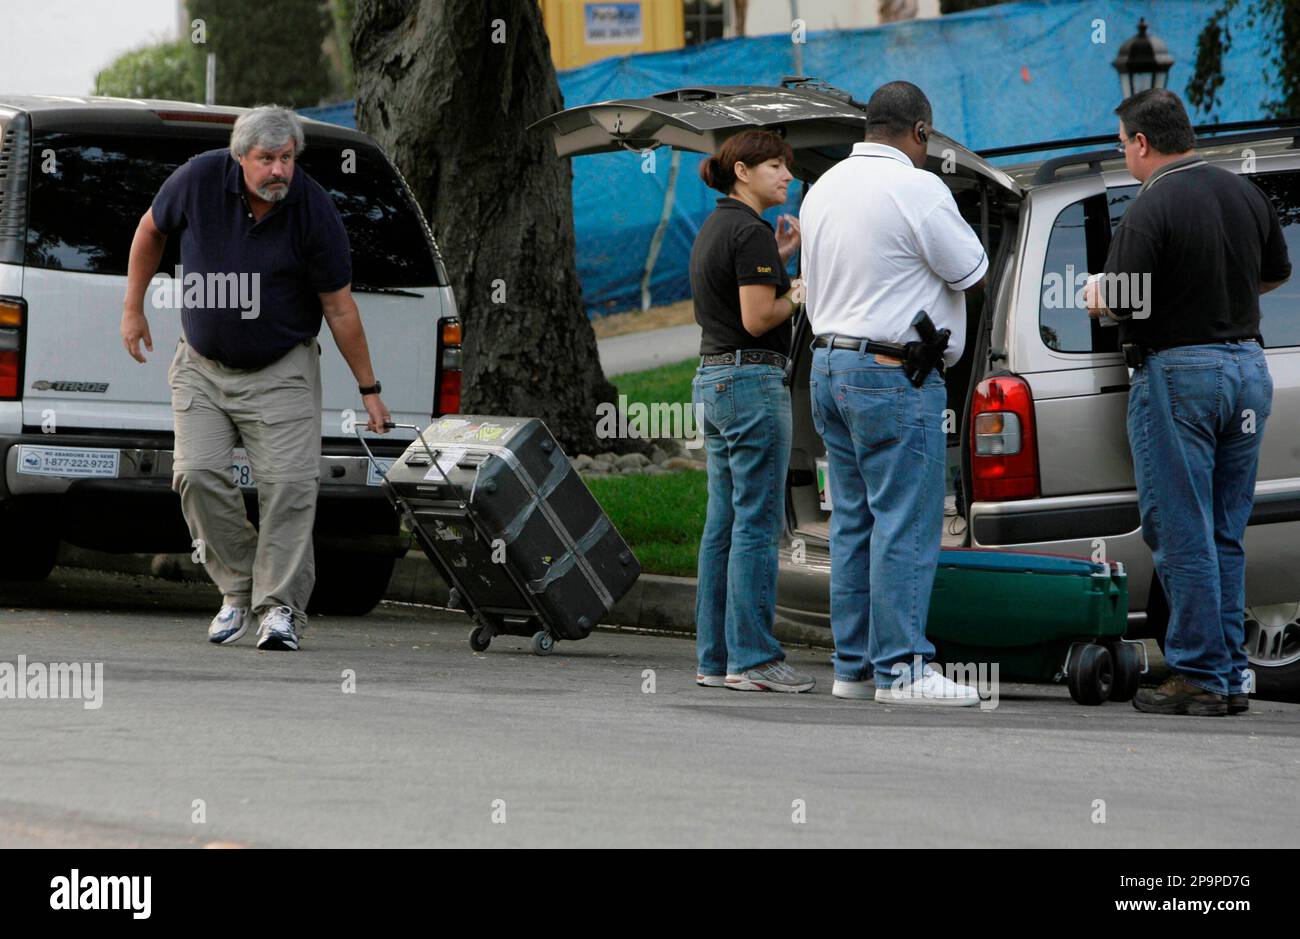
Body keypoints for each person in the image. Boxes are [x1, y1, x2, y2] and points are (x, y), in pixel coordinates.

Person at [120, 106, 392, 651]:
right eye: (266, 159)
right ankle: (240, 590)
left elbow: (339, 309)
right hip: (201, 365)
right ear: (239, 157)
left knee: (290, 488)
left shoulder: (313, 209)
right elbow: (151, 229)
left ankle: (281, 609)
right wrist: (133, 308)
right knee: (196, 476)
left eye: (286, 158)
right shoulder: (198, 179)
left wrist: (370, 389)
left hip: (281, 370)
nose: (278, 171)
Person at [1085, 88, 1291, 716]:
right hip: (1249, 369)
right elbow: (1276, 272)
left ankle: (1199, 673)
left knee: (1181, 530)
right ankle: (1229, 675)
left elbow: (1121, 299)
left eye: (1123, 144)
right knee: (1225, 529)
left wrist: (1094, 294)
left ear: (1142, 143)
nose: (1123, 155)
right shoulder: (1242, 191)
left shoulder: (1152, 204)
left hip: (1180, 374)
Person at [800, 81, 984, 705]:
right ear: (920, 132)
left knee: (853, 523)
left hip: (827, 368)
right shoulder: (916, 185)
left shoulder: (823, 187)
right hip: (891, 375)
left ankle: (852, 669)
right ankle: (903, 669)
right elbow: (973, 268)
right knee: (905, 522)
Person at [689, 129, 813, 693]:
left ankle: (715, 660)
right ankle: (756, 659)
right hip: (751, 382)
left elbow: (738, 296)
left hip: (714, 379)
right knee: (758, 526)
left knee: (724, 524)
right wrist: (801, 289)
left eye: (786, 169)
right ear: (742, 171)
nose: (786, 176)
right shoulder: (750, 231)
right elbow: (760, 318)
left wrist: (779, 262)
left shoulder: (718, 226)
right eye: (774, 168)